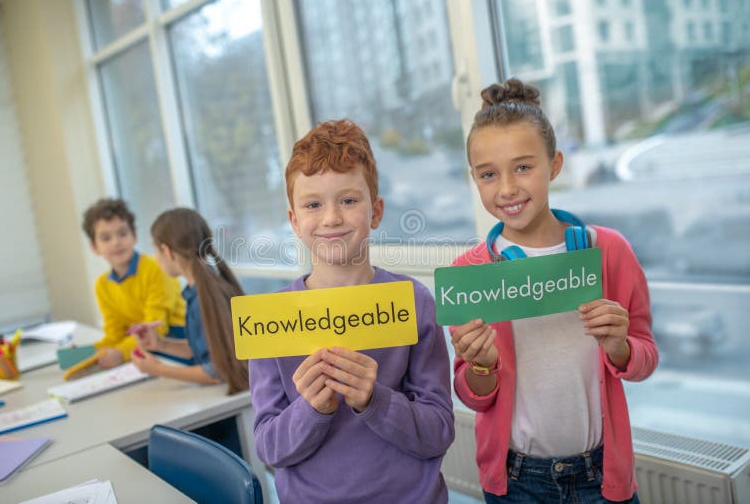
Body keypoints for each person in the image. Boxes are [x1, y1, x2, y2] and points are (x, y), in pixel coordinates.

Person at [450, 78, 658, 503]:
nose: (506, 188)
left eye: (523, 167)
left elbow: (644, 359)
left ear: (555, 164)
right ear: (474, 179)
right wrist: (481, 366)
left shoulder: (608, 252)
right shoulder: (469, 273)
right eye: (489, 174)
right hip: (517, 480)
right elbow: (471, 393)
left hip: (601, 475)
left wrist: (620, 347)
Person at [250, 119, 454, 503]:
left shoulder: (413, 301)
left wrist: (373, 400)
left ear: (375, 212)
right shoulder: (270, 320)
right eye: (313, 204)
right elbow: (268, 447)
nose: (331, 218)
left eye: (348, 200)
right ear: (294, 221)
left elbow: (440, 430)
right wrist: (311, 409)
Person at [130, 208, 248, 393]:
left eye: (155, 250)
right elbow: (205, 349)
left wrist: (158, 370)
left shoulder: (206, 298)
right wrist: (161, 344)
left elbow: (216, 371)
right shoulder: (205, 288)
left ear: (167, 251)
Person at [82, 198, 185, 369]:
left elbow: (157, 328)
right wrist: (90, 352)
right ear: (94, 247)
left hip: (175, 340)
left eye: (122, 234)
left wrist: (120, 353)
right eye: (106, 238)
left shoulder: (156, 269)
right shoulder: (102, 285)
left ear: (134, 236)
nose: (116, 242)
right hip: (142, 344)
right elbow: (115, 335)